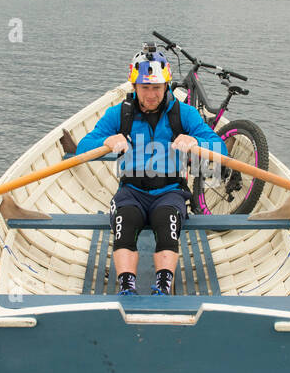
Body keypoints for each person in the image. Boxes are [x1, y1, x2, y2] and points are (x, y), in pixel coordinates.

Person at [75, 45, 226, 295]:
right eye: (145, 88)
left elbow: (221, 150)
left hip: (170, 192)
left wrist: (196, 142)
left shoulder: (183, 114)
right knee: (125, 227)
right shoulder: (119, 115)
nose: (152, 95)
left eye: (157, 87)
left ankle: (163, 287)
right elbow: (82, 149)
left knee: (167, 228)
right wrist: (107, 142)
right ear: (134, 87)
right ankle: (126, 288)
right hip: (131, 191)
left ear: (166, 86)